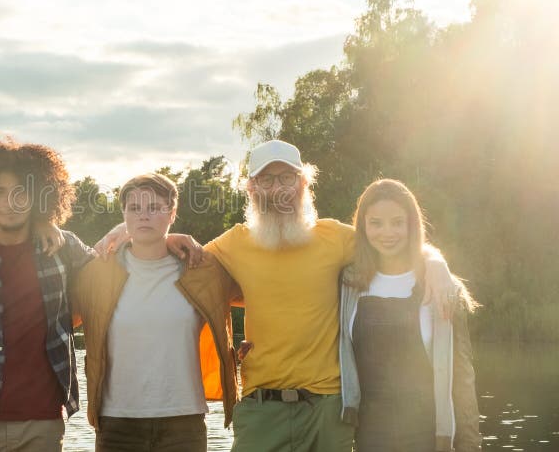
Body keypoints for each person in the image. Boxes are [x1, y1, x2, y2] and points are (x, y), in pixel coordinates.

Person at [0, 140, 205, 451]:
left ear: (39, 197)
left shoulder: (64, 249)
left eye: (21, 192)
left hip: (45, 425)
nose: (9, 203)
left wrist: (168, 238)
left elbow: (114, 259)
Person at [200, 140, 456, 452]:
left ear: (304, 183)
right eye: (266, 180)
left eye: (286, 178)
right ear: (252, 188)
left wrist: (436, 263)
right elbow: (183, 266)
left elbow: (388, 242)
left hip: (327, 408)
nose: (277, 189)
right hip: (260, 409)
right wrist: (127, 237)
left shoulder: (334, 237)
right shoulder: (233, 243)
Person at [71, 173, 238, 452]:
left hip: (183, 423)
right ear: (123, 215)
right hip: (116, 424)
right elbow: (59, 322)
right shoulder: (96, 274)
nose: (143, 216)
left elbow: (260, 294)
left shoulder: (202, 270)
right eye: (134, 209)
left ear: (172, 213)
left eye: (155, 208)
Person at [339, 178, 481, 451]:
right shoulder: (348, 285)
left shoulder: (442, 287)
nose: (387, 232)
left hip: (429, 436)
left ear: (411, 225)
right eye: (376, 223)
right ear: (363, 225)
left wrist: (470, 445)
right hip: (368, 437)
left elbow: (462, 381)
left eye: (397, 222)